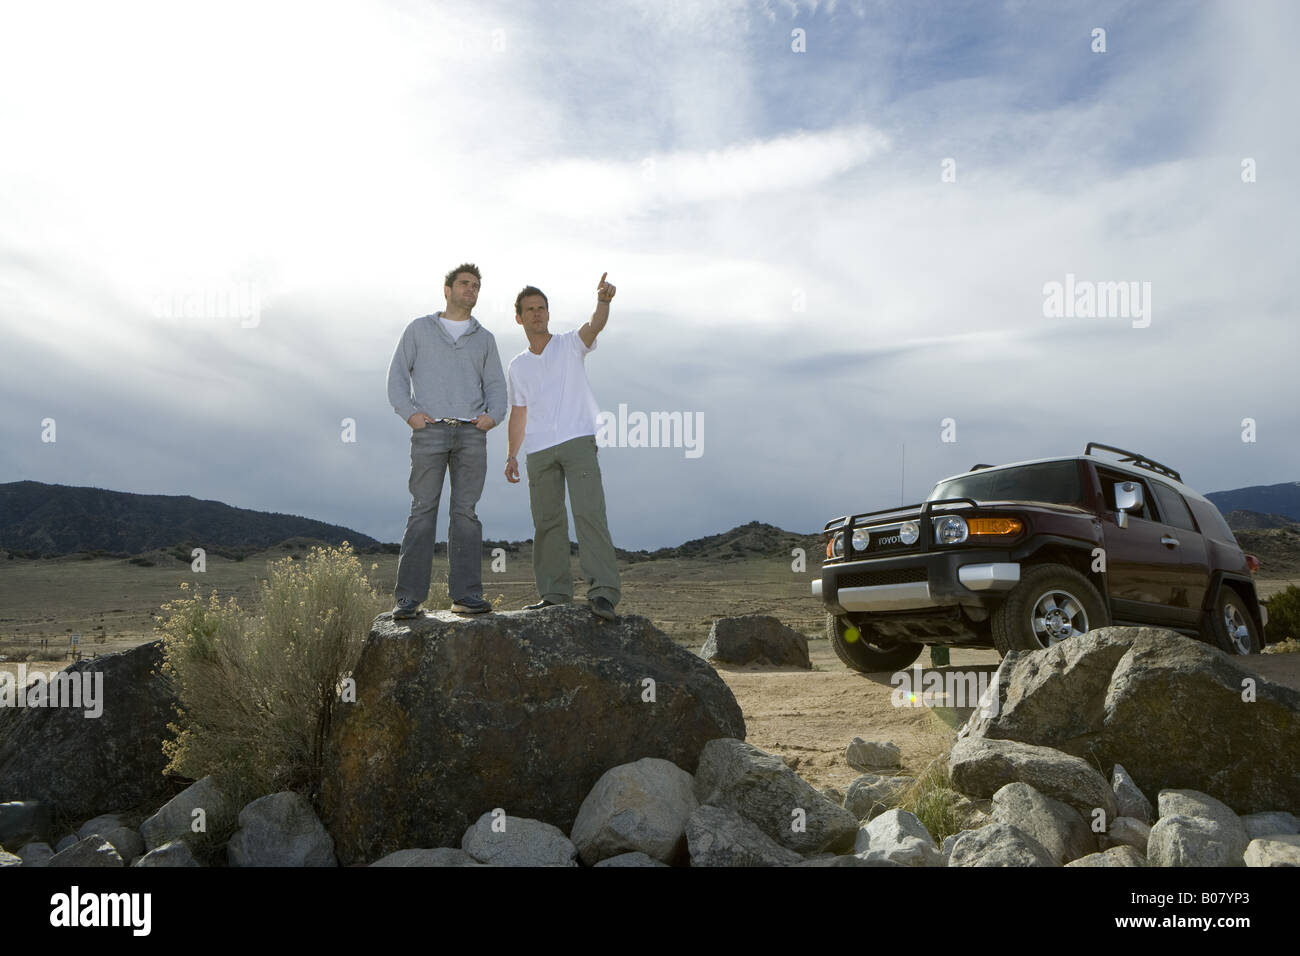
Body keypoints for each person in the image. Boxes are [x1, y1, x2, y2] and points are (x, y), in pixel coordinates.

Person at [387, 262, 506, 617]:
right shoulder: (419, 330)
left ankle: (465, 596)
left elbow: (497, 386)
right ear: (447, 289)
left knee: (466, 513)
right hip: (430, 433)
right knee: (422, 511)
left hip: (472, 433)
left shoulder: (484, 339)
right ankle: (409, 598)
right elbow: (396, 377)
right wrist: (410, 414)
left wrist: (492, 418)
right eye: (464, 284)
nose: (471, 290)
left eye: (476, 286)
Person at [505, 272, 621, 621]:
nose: (537, 314)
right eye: (530, 309)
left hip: (577, 442)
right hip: (538, 452)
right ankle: (555, 594)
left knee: (589, 514)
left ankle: (602, 593)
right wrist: (511, 453)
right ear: (519, 317)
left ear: (548, 314)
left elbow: (594, 326)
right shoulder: (517, 365)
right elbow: (518, 412)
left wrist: (603, 301)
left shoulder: (570, 344)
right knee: (547, 522)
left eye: (542, 308)